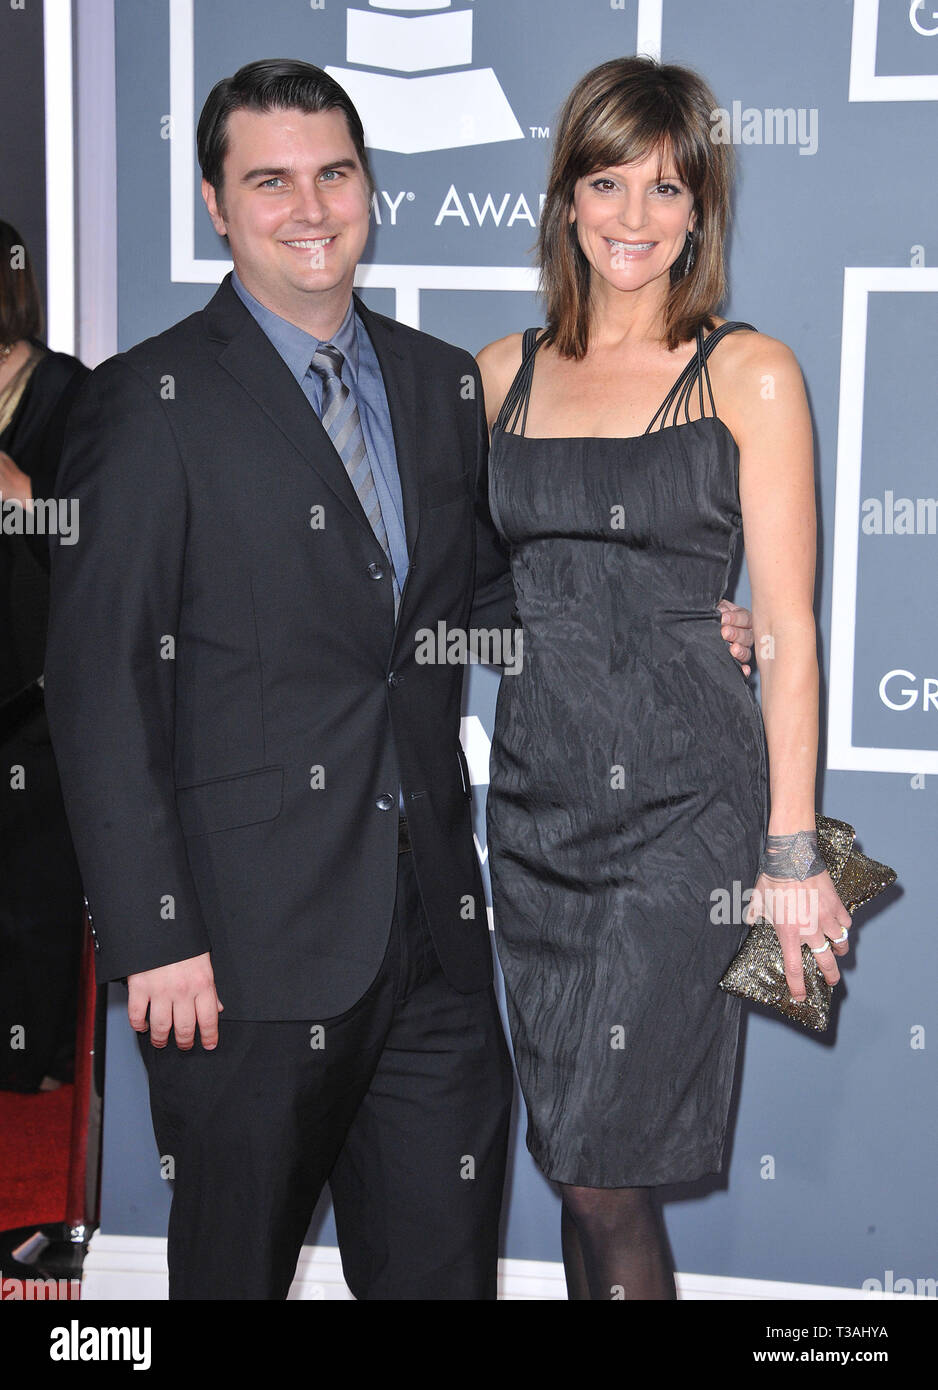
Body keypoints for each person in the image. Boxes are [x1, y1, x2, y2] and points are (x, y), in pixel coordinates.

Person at [44, 59, 752, 1301]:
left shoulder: (440, 387)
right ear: (217, 201)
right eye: (270, 180)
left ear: (368, 186)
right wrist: (156, 937)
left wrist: (670, 628)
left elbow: (486, 614)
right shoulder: (144, 403)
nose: (308, 207)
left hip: (436, 946)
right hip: (239, 962)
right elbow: (97, 684)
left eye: (333, 173)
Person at [477, 56, 851, 1301]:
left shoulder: (747, 372)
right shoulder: (498, 375)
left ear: (700, 208)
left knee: (603, 1167)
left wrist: (792, 855)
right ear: (564, 196)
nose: (632, 218)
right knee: (578, 1149)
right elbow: (471, 600)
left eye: (665, 188)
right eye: (605, 182)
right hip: (534, 814)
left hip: (684, 814)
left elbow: (790, 629)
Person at [0, 220, 87, 1093]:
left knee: (33, 905)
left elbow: (89, 546)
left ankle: (37, 1075)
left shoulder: (69, 393)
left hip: (34, 706)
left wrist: (19, 491)